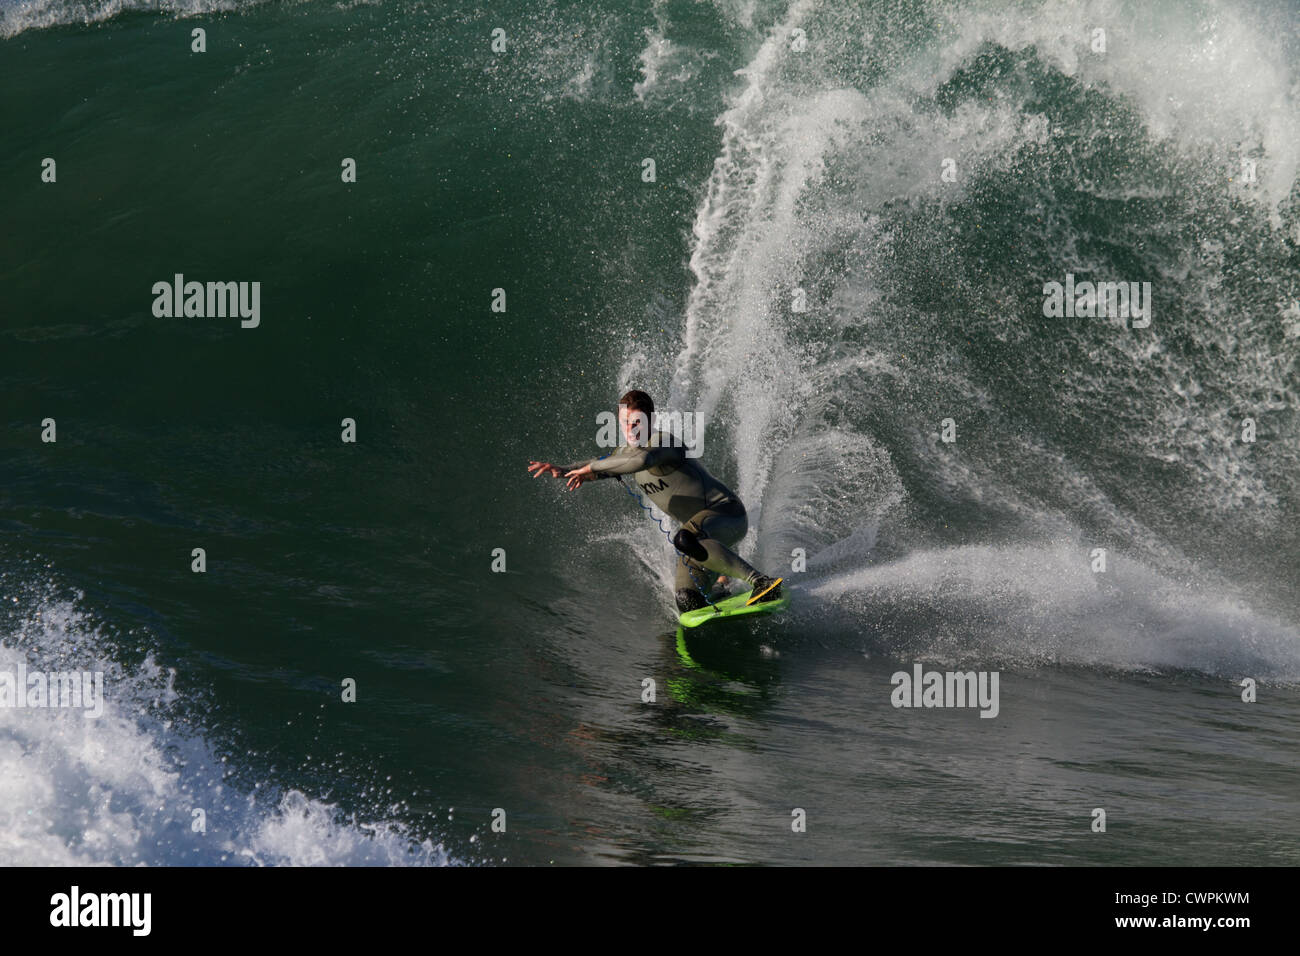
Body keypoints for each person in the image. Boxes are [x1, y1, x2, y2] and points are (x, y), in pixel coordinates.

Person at [528, 389, 783, 613]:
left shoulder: (664, 443)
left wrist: (592, 467)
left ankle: (762, 582)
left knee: (684, 539)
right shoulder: (623, 454)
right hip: (702, 537)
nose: (630, 428)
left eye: (636, 422)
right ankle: (722, 588)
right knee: (687, 600)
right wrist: (563, 469)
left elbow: (641, 461)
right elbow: (604, 467)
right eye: (625, 422)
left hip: (727, 514)